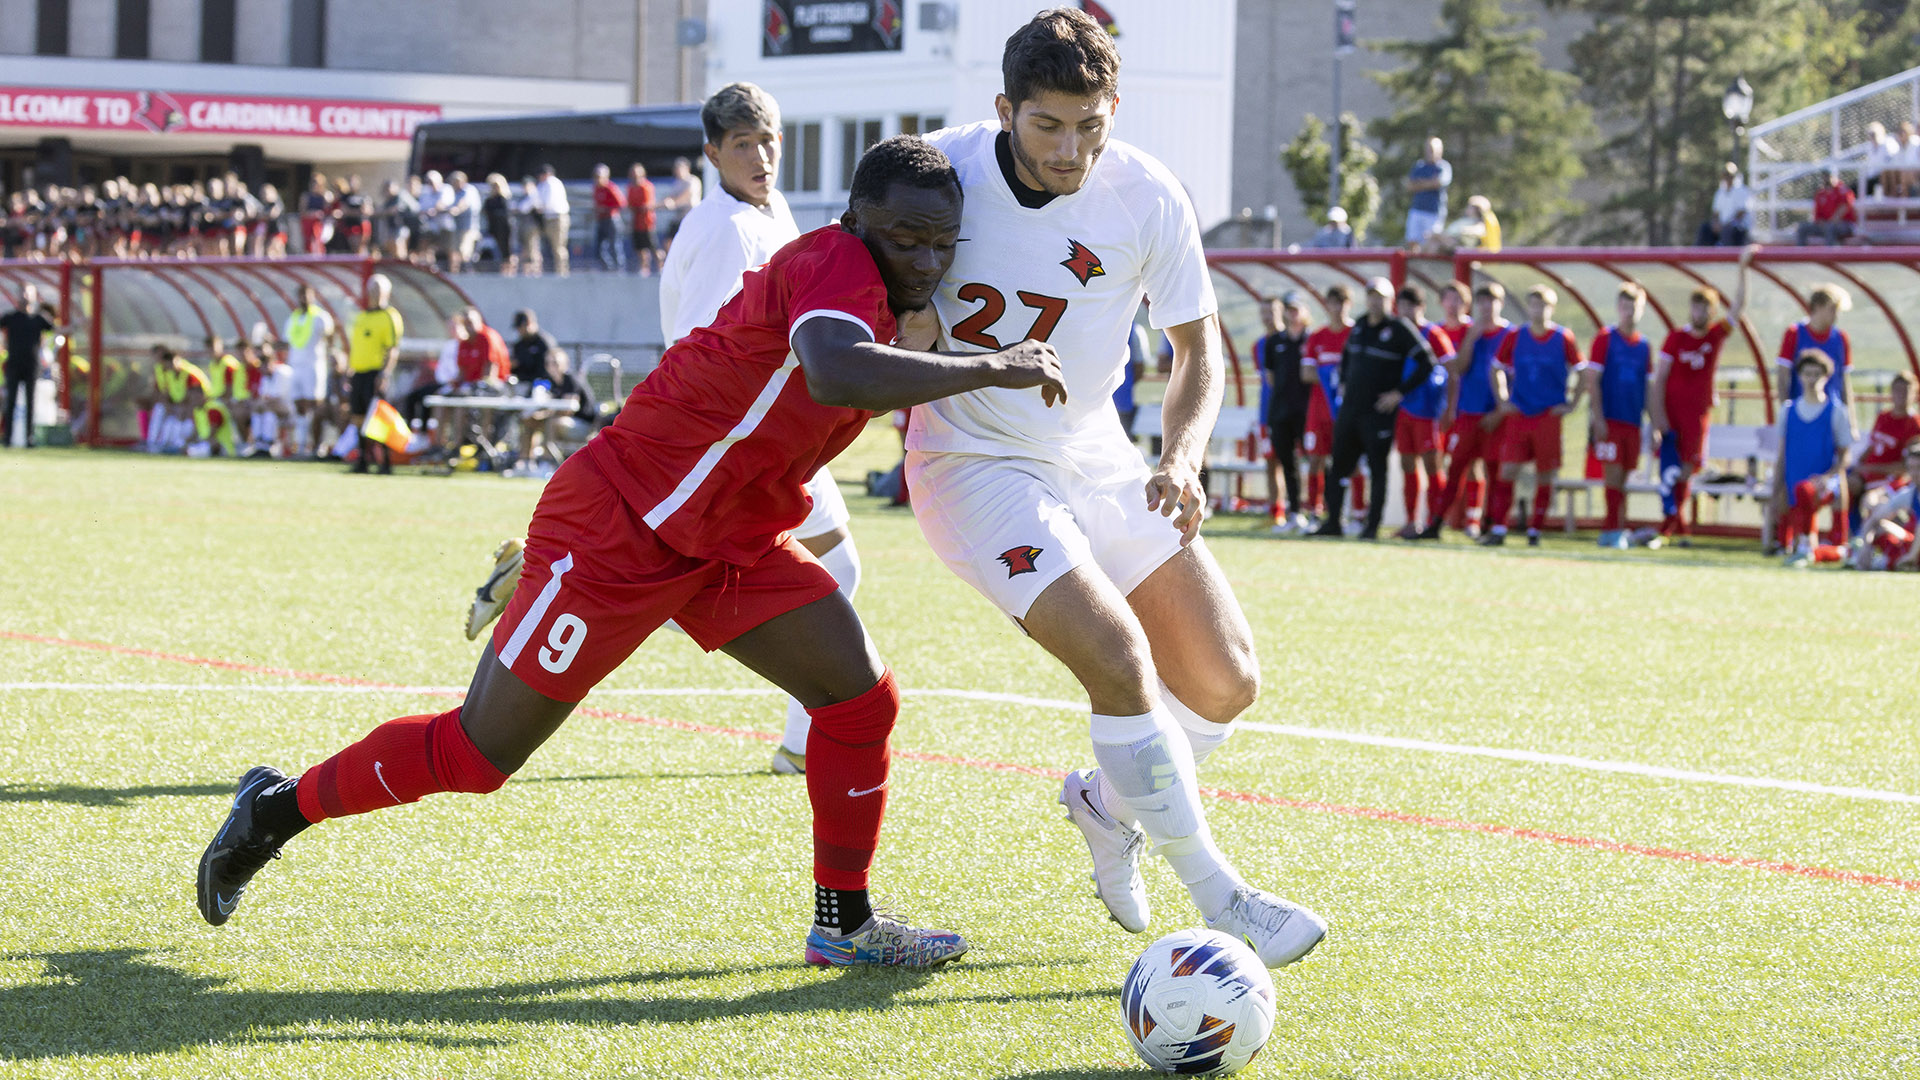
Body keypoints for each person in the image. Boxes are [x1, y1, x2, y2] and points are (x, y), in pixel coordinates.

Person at [196, 135, 1062, 971]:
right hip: (620, 527)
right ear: (856, 220)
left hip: (730, 538)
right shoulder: (836, 259)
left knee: (859, 701)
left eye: (941, 244)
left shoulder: (894, 299)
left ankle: (845, 925)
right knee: (478, 757)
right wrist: (995, 365)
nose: (924, 260)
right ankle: (275, 809)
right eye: (905, 239)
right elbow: (836, 371)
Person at [904, 10, 1324, 968]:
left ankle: (1106, 803)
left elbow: (1197, 350)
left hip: (1095, 449)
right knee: (1120, 657)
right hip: (973, 462)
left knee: (1224, 679)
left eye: (1089, 126)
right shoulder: (934, 173)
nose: (1070, 149)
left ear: (1114, 111)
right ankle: (1221, 897)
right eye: (1047, 125)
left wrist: (1181, 456)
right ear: (1004, 109)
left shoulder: (1147, 193)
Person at [1310, 277, 1436, 541]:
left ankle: (1371, 526)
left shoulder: (1399, 328)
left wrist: (1398, 393)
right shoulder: (1359, 326)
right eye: (1371, 296)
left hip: (1378, 413)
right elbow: (1347, 357)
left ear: (1390, 301)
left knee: (1377, 470)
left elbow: (1427, 362)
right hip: (1350, 410)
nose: (1375, 302)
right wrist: (1344, 381)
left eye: (1380, 297)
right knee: (1338, 466)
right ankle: (1333, 522)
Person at [1651, 247, 1753, 545]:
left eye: (1705, 308)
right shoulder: (1676, 338)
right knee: (1669, 471)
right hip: (1672, 414)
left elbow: (1739, 307)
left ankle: (1674, 526)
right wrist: (1658, 418)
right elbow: (1659, 380)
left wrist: (1743, 269)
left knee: (1687, 469)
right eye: (1696, 307)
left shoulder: (1715, 335)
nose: (1699, 312)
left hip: (1697, 416)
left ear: (1712, 311)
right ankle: (1673, 526)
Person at [1479, 285, 1584, 547]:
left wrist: (1571, 404)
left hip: (1548, 415)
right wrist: (1503, 401)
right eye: (1534, 305)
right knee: (1508, 470)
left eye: (1543, 305)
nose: (1538, 310)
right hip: (1520, 414)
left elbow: (1584, 371)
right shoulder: (1516, 336)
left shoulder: (1563, 337)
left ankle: (1535, 530)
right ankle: (1499, 528)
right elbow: (1495, 368)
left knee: (1545, 474)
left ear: (1552, 308)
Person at [1582, 283, 1654, 549]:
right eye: (1624, 306)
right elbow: (1593, 381)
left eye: (1633, 306)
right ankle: (1611, 531)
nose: (1629, 311)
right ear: (1617, 308)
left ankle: (1616, 530)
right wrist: (1598, 418)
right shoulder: (1605, 338)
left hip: (1632, 422)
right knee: (1612, 478)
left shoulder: (1644, 346)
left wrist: (1654, 424)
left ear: (1641, 309)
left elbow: (1648, 388)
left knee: (1623, 480)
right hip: (1610, 420)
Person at [1773, 350, 1855, 567]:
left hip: (1825, 485)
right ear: (1799, 376)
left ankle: (1808, 547)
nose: (1811, 379)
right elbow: (1781, 454)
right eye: (1807, 374)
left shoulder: (1836, 411)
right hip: (1793, 484)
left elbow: (1845, 456)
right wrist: (1776, 488)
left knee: (1805, 491)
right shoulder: (1787, 411)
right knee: (1785, 543)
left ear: (1826, 378)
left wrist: (1827, 477)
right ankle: (1818, 550)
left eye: (1817, 375)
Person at [1391, 286, 1454, 538]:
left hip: (1428, 411)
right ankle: (1410, 521)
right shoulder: (1396, 333)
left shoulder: (1434, 334)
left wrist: (1449, 408)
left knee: (1432, 464)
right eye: (1402, 306)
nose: (1406, 311)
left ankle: (1434, 522)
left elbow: (1453, 372)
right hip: (1403, 409)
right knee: (1407, 463)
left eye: (1411, 306)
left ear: (1422, 308)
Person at [1257, 292, 1313, 534]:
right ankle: (1294, 513)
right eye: (1289, 309)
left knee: (1317, 462)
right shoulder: (1274, 342)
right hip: (1280, 413)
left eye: (1296, 309)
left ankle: (1318, 511)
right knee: (1287, 464)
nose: (1292, 314)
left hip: (1307, 413)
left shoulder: (1311, 339)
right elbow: (1270, 378)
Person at [1302, 284, 1354, 524]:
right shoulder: (1317, 336)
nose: (1337, 308)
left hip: (1347, 411)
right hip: (1319, 410)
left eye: (1341, 303)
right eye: (1332, 303)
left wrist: (1332, 374)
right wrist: (1335, 375)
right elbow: (1306, 373)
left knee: (1350, 462)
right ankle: (1315, 510)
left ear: (1348, 305)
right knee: (1316, 460)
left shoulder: (1355, 333)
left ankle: (1356, 512)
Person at [345, 274, 404, 475]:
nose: (375, 294)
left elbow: (392, 348)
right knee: (359, 418)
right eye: (373, 290)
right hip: (359, 374)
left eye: (379, 290)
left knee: (379, 418)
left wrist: (385, 374)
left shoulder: (390, 316)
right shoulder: (362, 317)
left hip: (375, 374)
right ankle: (363, 460)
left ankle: (385, 462)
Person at [281, 285, 338, 459]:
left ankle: (318, 445)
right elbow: (287, 341)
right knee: (299, 405)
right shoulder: (293, 317)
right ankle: (302, 445)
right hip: (295, 366)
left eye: (306, 295)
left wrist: (331, 354)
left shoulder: (320, 317)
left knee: (315, 405)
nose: (303, 299)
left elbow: (330, 336)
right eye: (301, 295)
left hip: (313, 366)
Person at [1, 285, 61, 449]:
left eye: (28, 293)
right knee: (11, 402)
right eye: (23, 293)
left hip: (32, 367)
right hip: (13, 366)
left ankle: (29, 438)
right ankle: (7, 438)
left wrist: (76, 325)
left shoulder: (38, 319)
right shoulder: (11, 317)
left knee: (31, 403)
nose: (25, 296)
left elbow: (57, 330)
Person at [1775, 285, 1853, 405]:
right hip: (1801, 410)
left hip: (1832, 411)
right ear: (1818, 307)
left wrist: (1849, 414)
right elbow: (1783, 377)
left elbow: (1845, 382)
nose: (1836, 315)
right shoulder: (1794, 333)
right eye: (1832, 309)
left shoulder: (1841, 337)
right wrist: (1786, 409)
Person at [1851, 372, 1918, 512]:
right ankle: (1849, 526)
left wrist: (1871, 468)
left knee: (1870, 502)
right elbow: (1871, 446)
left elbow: (1905, 468)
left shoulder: (1914, 425)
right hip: (1868, 474)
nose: (1901, 395)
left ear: (1914, 394)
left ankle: (1888, 525)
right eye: (1897, 390)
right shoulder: (1883, 416)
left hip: (1891, 480)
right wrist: (1857, 464)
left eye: (1906, 391)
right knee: (1843, 488)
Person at [1851, 439, 1920, 571]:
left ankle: (1907, 560)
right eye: (1911, 468)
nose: (1915, 473)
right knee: (1880, 525)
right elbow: (1874, 519)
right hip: (1914, 546)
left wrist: (1911, 557)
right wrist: (1865, 547)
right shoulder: (1910, 493)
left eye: (1918, 468)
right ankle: (1864, 556)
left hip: (1915, 550)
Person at [1404, 137, 1451, 244]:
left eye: (1432, 150)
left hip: (1433, 212)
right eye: (1428, 149)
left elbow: (1438, 183)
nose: (1430, 152)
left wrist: (1420, 183)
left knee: (1431, 241)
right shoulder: (1419, 166)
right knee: (1412, 240)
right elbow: (1410, 186)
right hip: (1417, 209)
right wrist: (1430, 183)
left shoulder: (1443, 167)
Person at [1696, 163, 1751, 247]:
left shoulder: (1742, 190)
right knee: (1705, 228)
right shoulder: (1720, 192)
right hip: (1722, 225)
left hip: (1737, 226)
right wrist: (1715, 223)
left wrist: (1725, 224)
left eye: (1730, 175)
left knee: (1727, 230)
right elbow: (1716, 212)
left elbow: (1741, 213)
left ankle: (1727, 254)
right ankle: (1699, 253)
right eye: (1725, 175)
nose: (1727, 178)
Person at [1796, 171, 1857, 245]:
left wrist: (1830, 222)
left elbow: (1844, 207)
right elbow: (1818, 216)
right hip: (1826, 225)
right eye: (1825, 177)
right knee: (1802, 227)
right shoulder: (1820, 194)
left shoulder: (1843, 191)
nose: (1826, 179)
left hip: (1845, 224)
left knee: (1830, 228)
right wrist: (1822, 223)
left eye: (1829, 176)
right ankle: (1801, 251)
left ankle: (1830, 251)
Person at [532, 165, 571, 276]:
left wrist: (538, 207)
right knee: (552, 248)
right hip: (549, 219)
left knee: (559, 247)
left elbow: (546, 203)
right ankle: (555, 271)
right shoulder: (543, 184)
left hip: (556, 218)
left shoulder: (552, 183)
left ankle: (562, 272)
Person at [656, 155, 703, 245]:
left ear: (687, 168)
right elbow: (671, 197)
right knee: (668, 241)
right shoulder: (677, 183)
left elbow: (686, 196)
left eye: (680, 168)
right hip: (679, 218)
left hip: (691, 217)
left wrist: (674, 203)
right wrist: (658, 205)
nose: (678, 170)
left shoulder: (692, 181)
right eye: (676, 168)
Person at [508, 309, 558, 391]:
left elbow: (549, 370)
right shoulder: (519, 345)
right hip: (522, 386)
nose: (519, 331)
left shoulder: (544, 343)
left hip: (543, 386)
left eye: (520, 327)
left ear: (529, 323)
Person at [590, 164, 627, 271]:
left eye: (599, 177)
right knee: (598, 249)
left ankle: (620, 270)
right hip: (601, 220)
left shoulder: (611, 188)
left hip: (612, 220)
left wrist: (606, 209)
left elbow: (622, 204)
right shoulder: (596, 188)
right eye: (595, 177)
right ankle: (609, 268)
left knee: (614, 246)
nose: (597, 179)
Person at [627, 164, 661, 275]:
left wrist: (639, 208)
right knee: (640, 248)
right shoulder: (631, 188)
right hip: (636, 223)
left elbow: (646, 205)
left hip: (647, 223)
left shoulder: (647, 187)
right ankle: (644, 268)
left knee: (653, 247)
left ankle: (661, 266)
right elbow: (630, 204)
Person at [481, 174, 514, 271]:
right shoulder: (489, 200)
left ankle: (509, 269)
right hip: (493, 228)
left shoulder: (505, 199)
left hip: (505, 228)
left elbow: (507, 213)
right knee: (496, 250)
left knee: (507, 249)